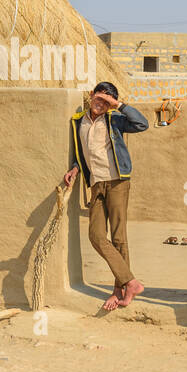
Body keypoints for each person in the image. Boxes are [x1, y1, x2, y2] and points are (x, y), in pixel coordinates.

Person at [63, 82, 149, 311]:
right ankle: (131, 282)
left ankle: (119, 290)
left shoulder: (114, 119)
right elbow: (81, 151)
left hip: (117, 181)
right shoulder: (77, 121)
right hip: (96, 184)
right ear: (91, 96)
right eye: (99, 98)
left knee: (119, 236)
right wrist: (75, 168)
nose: (102, 104)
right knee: (96, 235)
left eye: (107, 101)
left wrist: (117, 105)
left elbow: (142, 124)